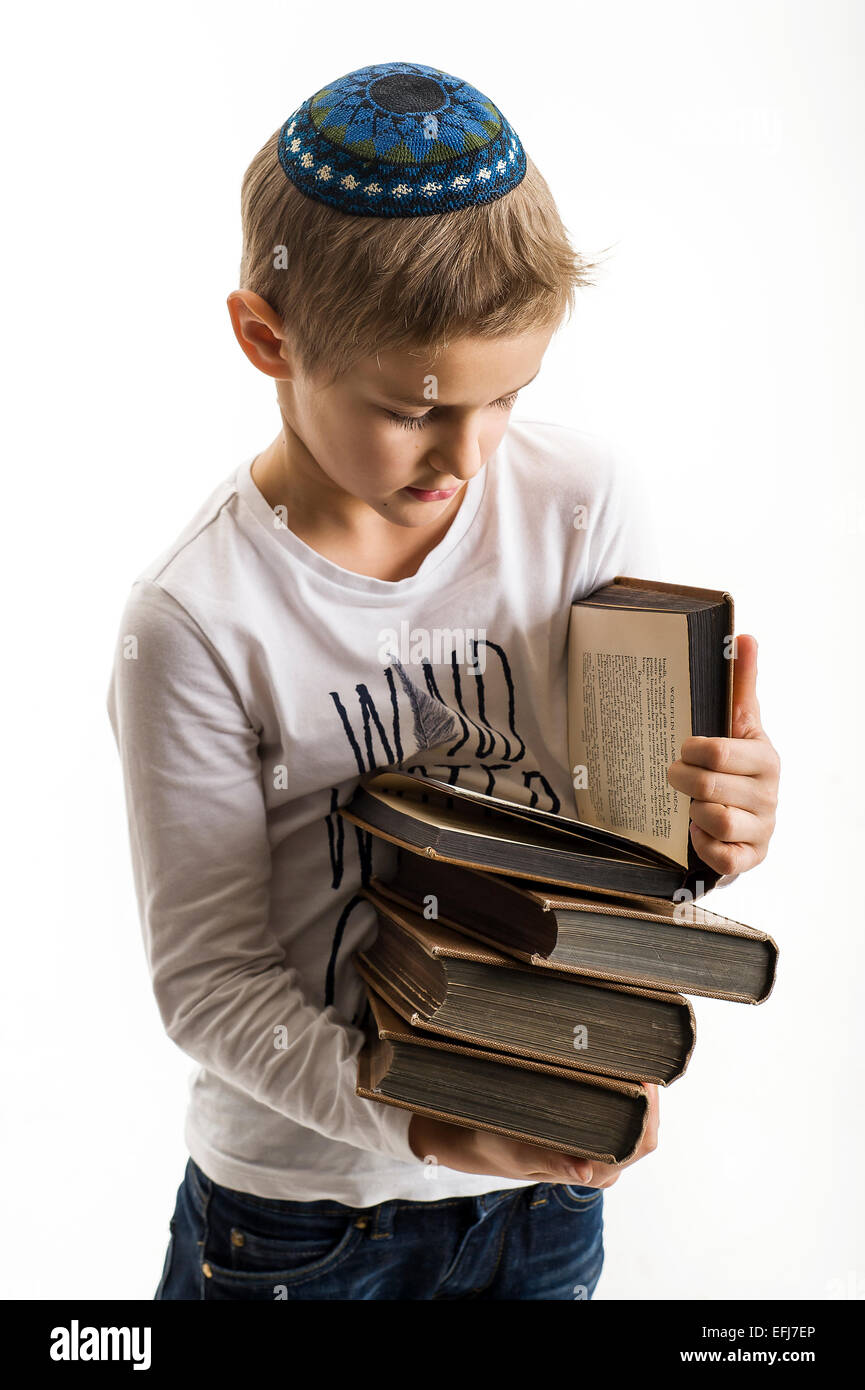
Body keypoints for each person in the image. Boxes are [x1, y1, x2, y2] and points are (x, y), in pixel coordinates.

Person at [106, 60, 781, 1301]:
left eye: (507, 397)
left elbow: (618, 836)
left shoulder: (577, 500)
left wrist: (710, 827)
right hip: (303, 1222)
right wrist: (431, 1126)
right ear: (267, 337)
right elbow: (208, 984)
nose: (466, 456)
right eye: (412, 408)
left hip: (540, 1196)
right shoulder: (195, 619)